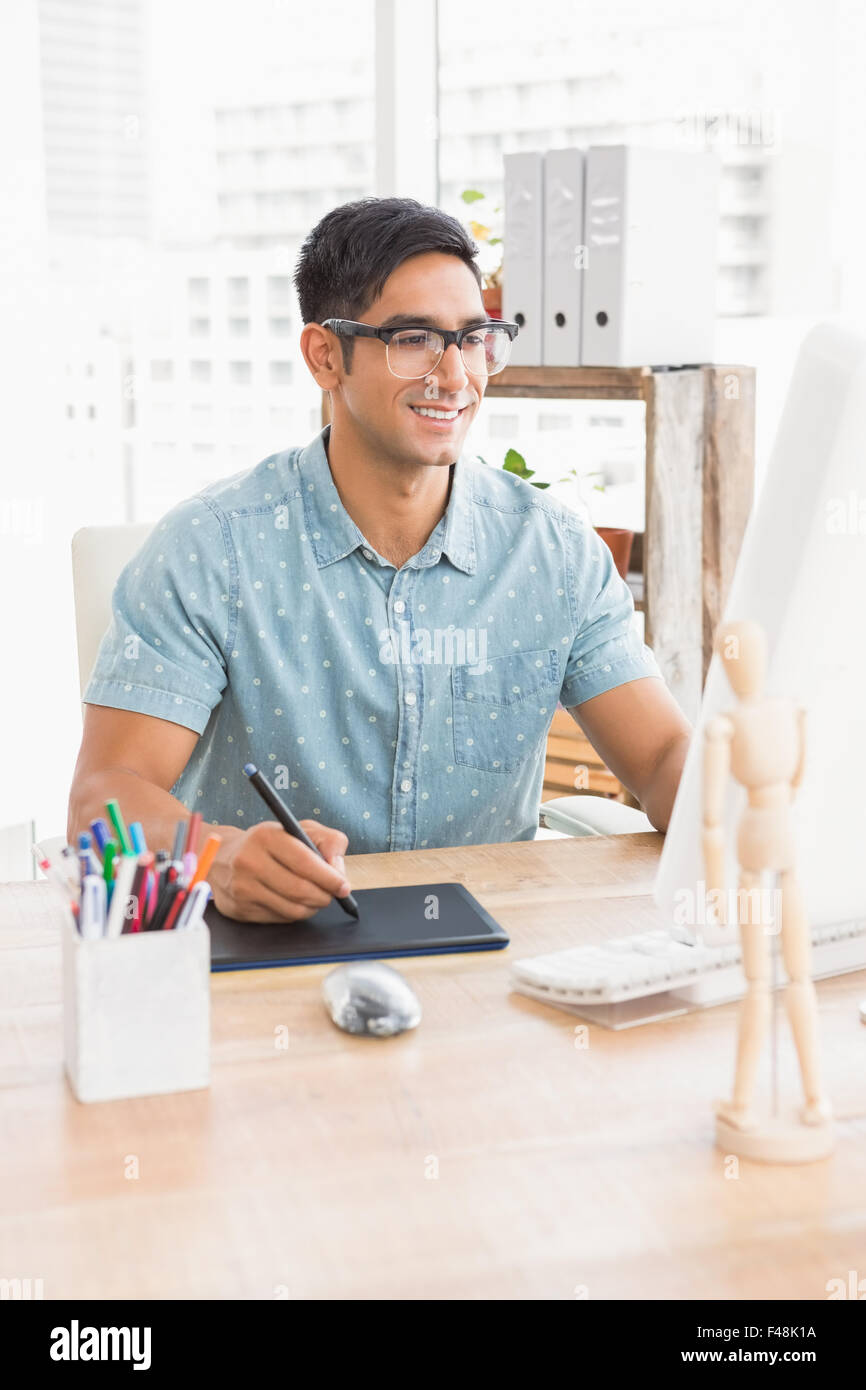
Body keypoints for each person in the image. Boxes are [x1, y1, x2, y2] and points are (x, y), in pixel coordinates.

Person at [67, 196, 691, 922]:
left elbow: (661, 760)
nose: (455, 376)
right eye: (415, 339)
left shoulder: (553, 553)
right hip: (271, 953)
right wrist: (221, 855)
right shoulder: (212, 551)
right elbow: (101, 796)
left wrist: (749, 790)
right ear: (325, 356)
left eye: (474, 338)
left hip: (490, 951)